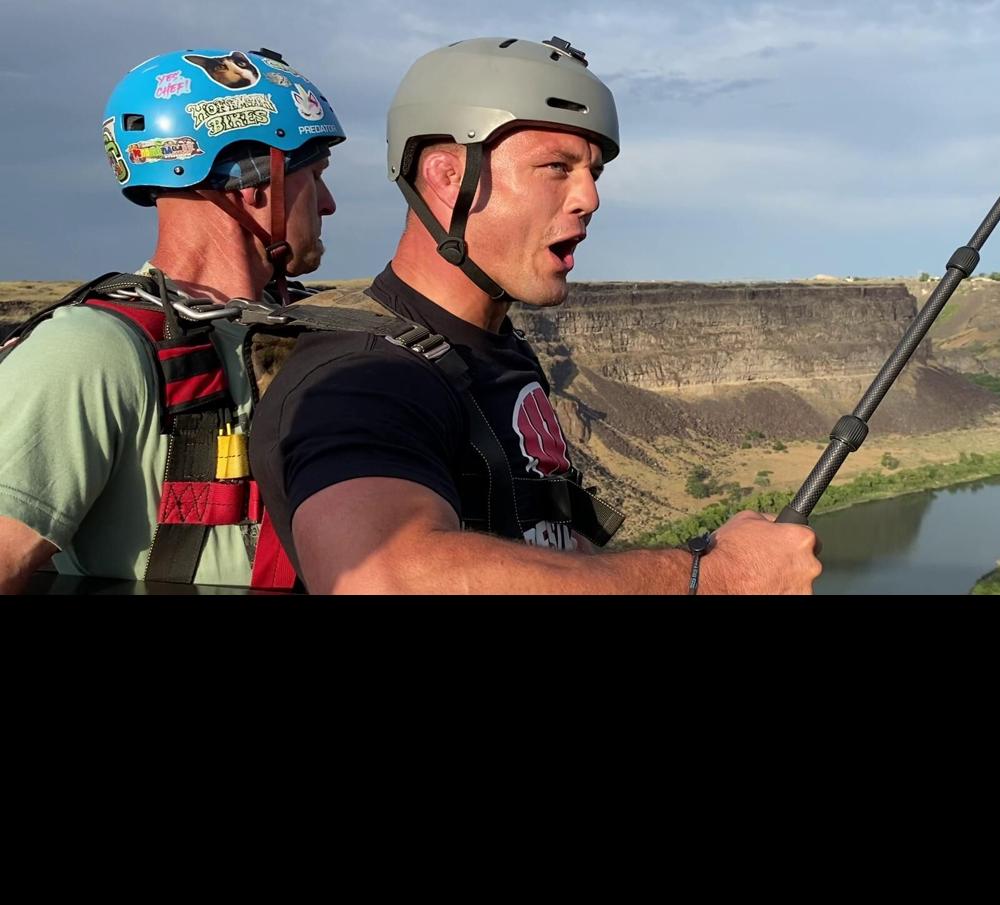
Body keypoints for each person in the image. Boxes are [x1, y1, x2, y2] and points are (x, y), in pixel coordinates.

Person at [249, 37, 820, 594]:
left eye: (593, 172)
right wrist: (711, 579)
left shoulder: (497, 353)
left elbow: (548, 548)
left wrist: (701, 555)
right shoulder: (362, 378)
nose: (589, 198)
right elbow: (379, 579)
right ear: (449, 177)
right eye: (556, 167)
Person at [0, 47, 345, 593]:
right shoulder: (91, 348)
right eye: (315, 175)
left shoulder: (288, 339)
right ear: (258, 186)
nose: (327, 204)